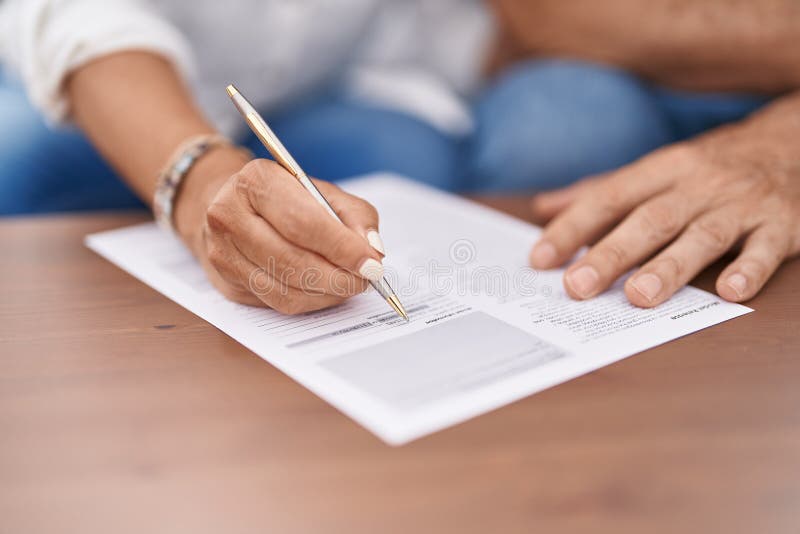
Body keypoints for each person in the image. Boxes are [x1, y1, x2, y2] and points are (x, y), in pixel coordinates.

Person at [0, 1, 797, 314]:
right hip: (102, 77)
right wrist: (194, 174)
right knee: (21, 165)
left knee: (409, 156)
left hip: (349, 76)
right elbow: (72, 16)